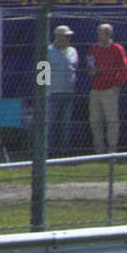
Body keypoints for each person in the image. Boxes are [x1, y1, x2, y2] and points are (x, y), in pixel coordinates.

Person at [85, 23, 127, 153]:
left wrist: (117, 85)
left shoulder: (117, 49)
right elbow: (89, 66)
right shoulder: (94, 48)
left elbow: (124, 68)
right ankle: (99, 148)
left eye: (102, 34)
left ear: (109, 35)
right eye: (98, 33)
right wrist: (91, 72)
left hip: (110, 89)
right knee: (95, 121)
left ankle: (112, 148)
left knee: (111, 121)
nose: (99, 36)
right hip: (96, 89)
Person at [47, 24, 78, 155]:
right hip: (51, 93)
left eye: (69, 36)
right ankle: (48, 151)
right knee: (50, 123)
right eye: (66, 36)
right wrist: (43, 91)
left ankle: (64, 151)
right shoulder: (47, 51)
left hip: (68, 92)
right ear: (58, 37)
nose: (68, 38)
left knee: (65, 123)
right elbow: (41, 73)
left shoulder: (73, 51)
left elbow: (75, 69)